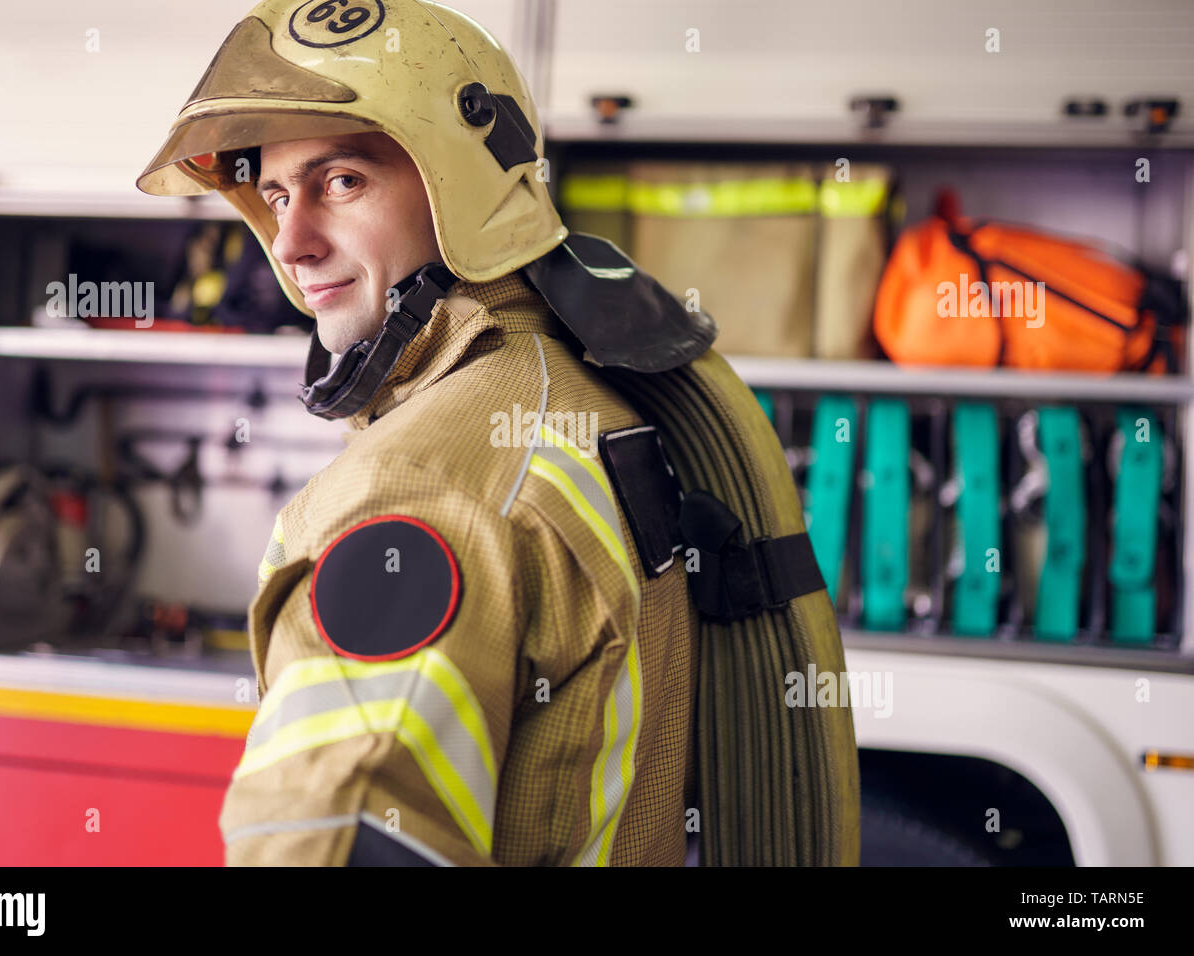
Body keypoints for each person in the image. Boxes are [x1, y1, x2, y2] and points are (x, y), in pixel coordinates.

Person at [139, 0, 859, 867]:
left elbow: (338, 838)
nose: (291, 242)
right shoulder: (587, 395)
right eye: (278, 194)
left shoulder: (422, 489)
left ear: (463, 190)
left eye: (341, 182)